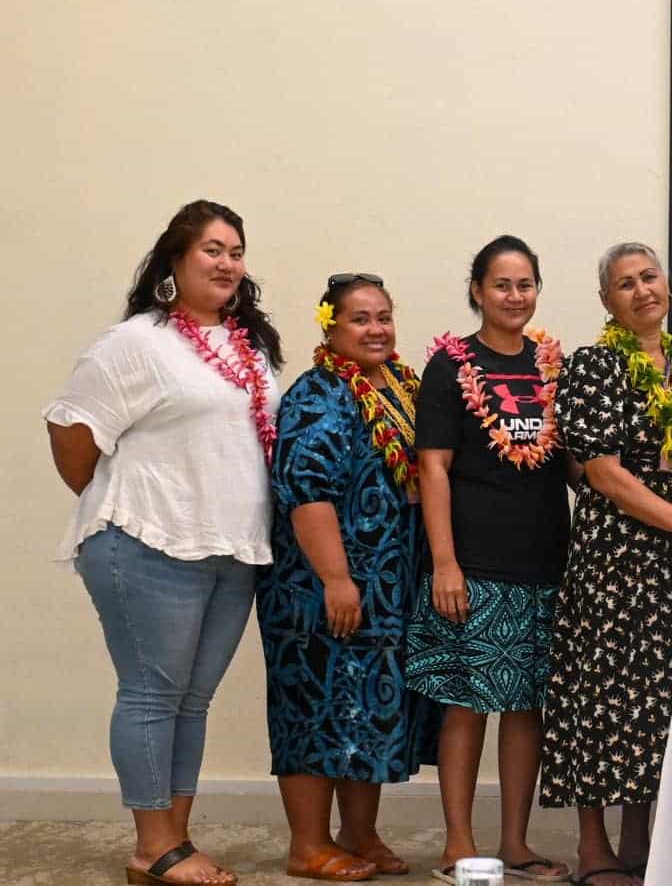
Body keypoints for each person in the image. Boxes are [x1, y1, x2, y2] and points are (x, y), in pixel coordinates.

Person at [45, 199, 284, 886]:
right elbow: (71, 426)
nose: (228, 262)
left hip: (232, 548)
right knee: (152, 693)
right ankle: (152, 847)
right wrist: (114, 498)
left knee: (192, 700)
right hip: (147, 542)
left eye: (236, 251)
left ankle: (173, 841)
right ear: (174, 261)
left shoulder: (248, 345)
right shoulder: (137, 343)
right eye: (212, 248)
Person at [542, 242, 672, 885]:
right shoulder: (594, 366)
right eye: (624, 284)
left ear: (669, 287)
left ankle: (641, 841)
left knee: (661, 702)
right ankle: (594, 847)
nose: (641, 291)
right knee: (604, 698)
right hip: (616, 563)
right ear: (607, 301)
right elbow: (602, 472)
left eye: (649, 277)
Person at [260, 275, 438, 881]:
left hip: (387, 589)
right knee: (313, 706)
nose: (376, 329)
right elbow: (306, 492)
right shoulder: (318, 394)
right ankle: (307, 844)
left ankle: (358, 834)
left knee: (366, 709)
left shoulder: (402, 387)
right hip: (319, 589)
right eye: (360, 319)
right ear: (330, 326)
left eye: (384, 316)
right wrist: (337, 578)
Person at [405, 236, 572, 882]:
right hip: (473, 564)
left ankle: (516, 843)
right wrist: (445, 562)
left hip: (544, 557)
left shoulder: (552, 365)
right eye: (501, 284)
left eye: (526, 284)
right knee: (467, 703)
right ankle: (458, 841)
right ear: (477, 290)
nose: (514, 296)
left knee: (526, 705)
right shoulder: (451, 367)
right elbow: (434, 468)